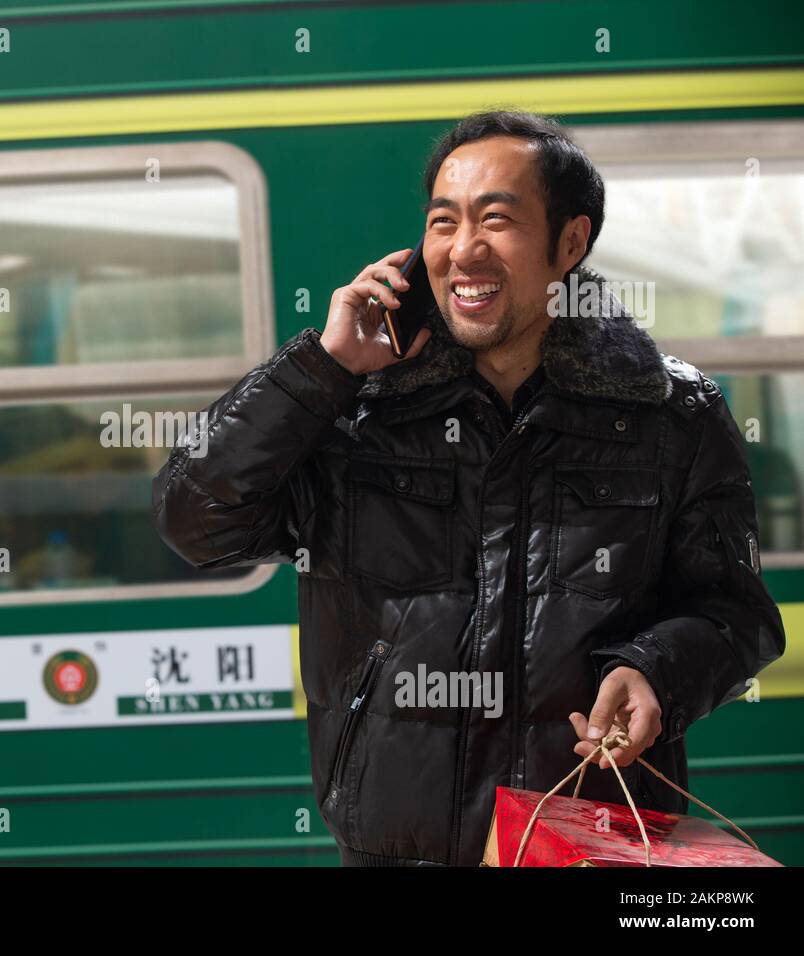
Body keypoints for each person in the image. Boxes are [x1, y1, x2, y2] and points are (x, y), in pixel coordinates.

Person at [152, 110, 786, 866]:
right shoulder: (359, 410)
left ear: (570, 244)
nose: (463, 250)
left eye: (497, 220)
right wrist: (322, 365)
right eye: (443, 222)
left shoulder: (671, 415)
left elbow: (736, 613)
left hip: (587, 846)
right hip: (396, 849)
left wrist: (655, 668)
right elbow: (194, 521)